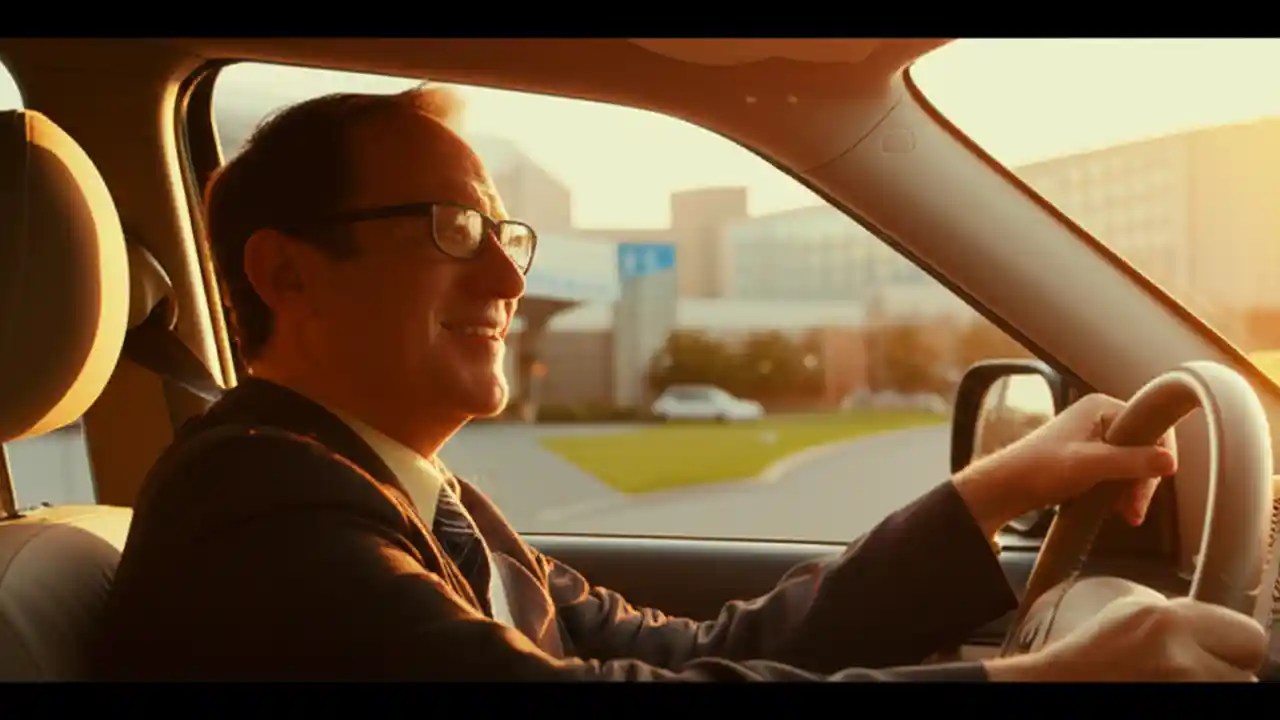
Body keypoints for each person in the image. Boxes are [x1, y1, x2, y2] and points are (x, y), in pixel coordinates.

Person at [92, 85, 1267, 682]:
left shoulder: (403, 495)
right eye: (453, 225)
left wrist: (991, 488)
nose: (508, 268)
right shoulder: (252, 506)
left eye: (507, 229)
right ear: (287, 273)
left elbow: (689, 649)